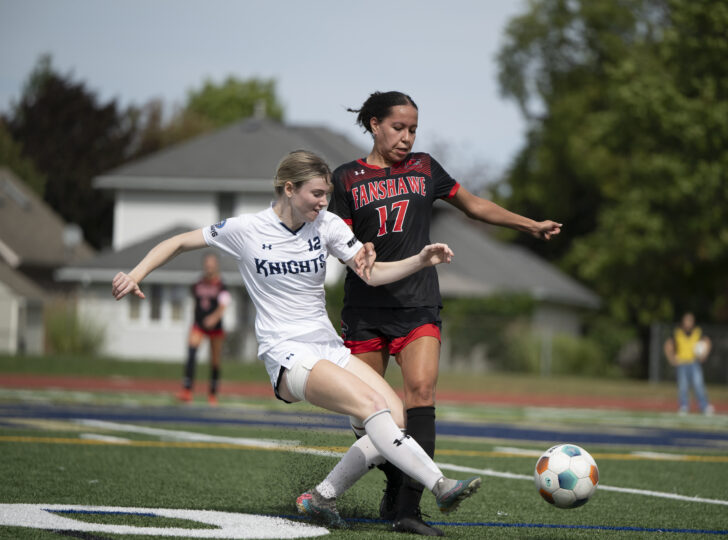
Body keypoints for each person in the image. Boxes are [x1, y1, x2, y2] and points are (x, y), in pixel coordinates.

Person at [111, 150, 481, 529]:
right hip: (286, 354)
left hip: (327, 348)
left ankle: (322, 497)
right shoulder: (246, 229)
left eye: (326, 194)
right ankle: (440, 484)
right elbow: (178, 242)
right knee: (372, 406)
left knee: (398, 418)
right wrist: (136, 274)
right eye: (316, 194)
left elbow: (371, 274)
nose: (323, 202)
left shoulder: (328, 225)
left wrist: (421, 259)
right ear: (289, 189)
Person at [328, 90, 561, 536]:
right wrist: (356, 254)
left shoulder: (425, 168)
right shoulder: (345, 179)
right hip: (364, 310)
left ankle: (408, 512)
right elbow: (337, 242)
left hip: (418, 305)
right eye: (398, 127)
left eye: (413, 129)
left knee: (421, 395)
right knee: (366, 415)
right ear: (374, 124)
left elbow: (474, 205)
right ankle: (398, 474)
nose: (407, 137)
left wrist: (529, 224)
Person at [177, 252, 231, 406]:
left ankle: (212, 394)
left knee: (215, 361)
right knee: (191, 352)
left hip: (216, 328)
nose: (209, 267)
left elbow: (223, 306)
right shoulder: (197, 284)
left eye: (212, 264)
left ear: (216, 265)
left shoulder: (221, 285)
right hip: (199, 325)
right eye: (207, 264)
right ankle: (187, 390)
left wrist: (213, 319)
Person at [664, 312, 714, 415]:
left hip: (694, 363)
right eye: (686, 321)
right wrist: (671, 358)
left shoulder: (698, 332)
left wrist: (704, 355)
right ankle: (684, 406)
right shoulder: (677, 332)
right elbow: (668, 345)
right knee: (683, 386)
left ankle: (704, 406)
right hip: (682, 363)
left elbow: (708, 342)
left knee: (698, 385)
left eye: (690, 321)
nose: (688, 323)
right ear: (683, 322)